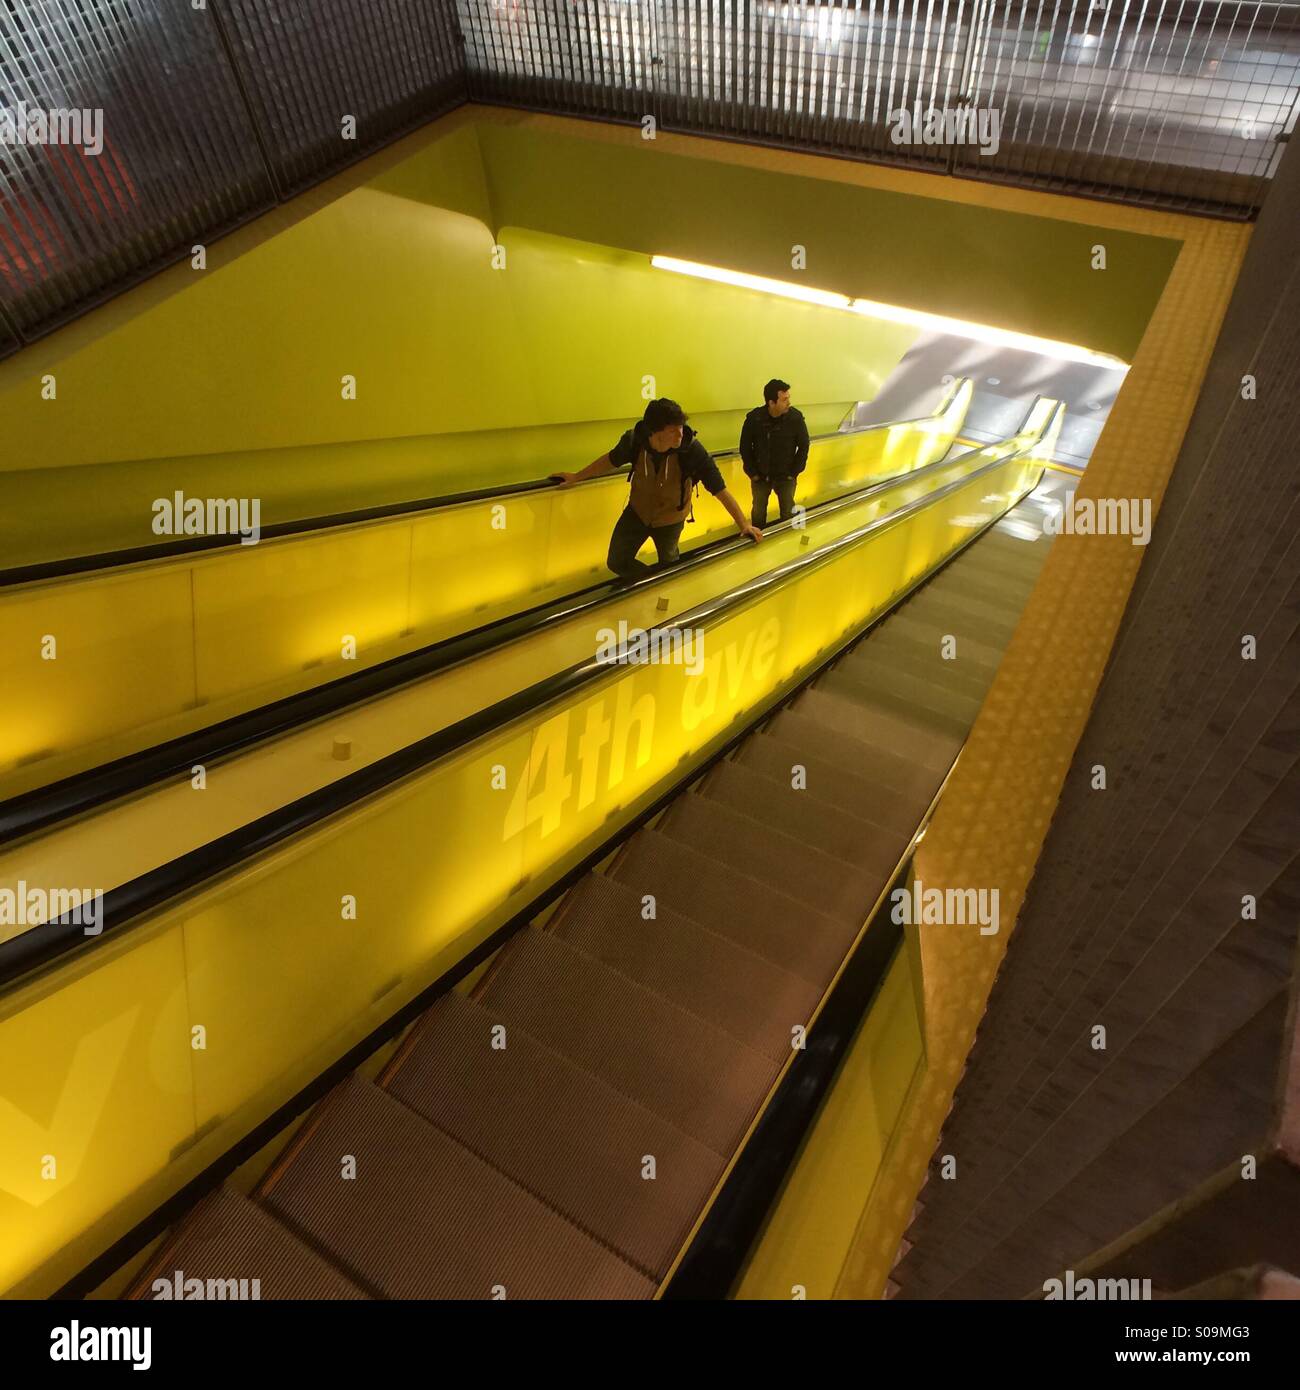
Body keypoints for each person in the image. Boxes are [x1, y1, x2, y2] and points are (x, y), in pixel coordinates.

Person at [550, 398, 761, 578]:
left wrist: (744, 525)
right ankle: (652, 586)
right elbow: (610, 460)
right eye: (673, 431)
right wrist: (576, 477)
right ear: (655, 433)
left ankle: (664, 596)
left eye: (681, 428)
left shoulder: (691, 450)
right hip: (638, 513)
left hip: (671, 519)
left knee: (669, 566)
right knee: (616, 561)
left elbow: (719, 489)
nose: (680, 435)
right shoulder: (634, 441)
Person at [740, 378, 810, 528]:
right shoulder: (754, 419)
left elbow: (804, 445)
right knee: (758, 514)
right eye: (784, 400)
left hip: (786, 477)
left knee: (788, 514)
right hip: (761, 477)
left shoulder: (795, 418)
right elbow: (745, 447)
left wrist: (794, 472)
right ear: (771, 402)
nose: (788, 403)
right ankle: (758, 544)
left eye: (788, 398)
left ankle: (787, 546)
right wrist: (753, 473)